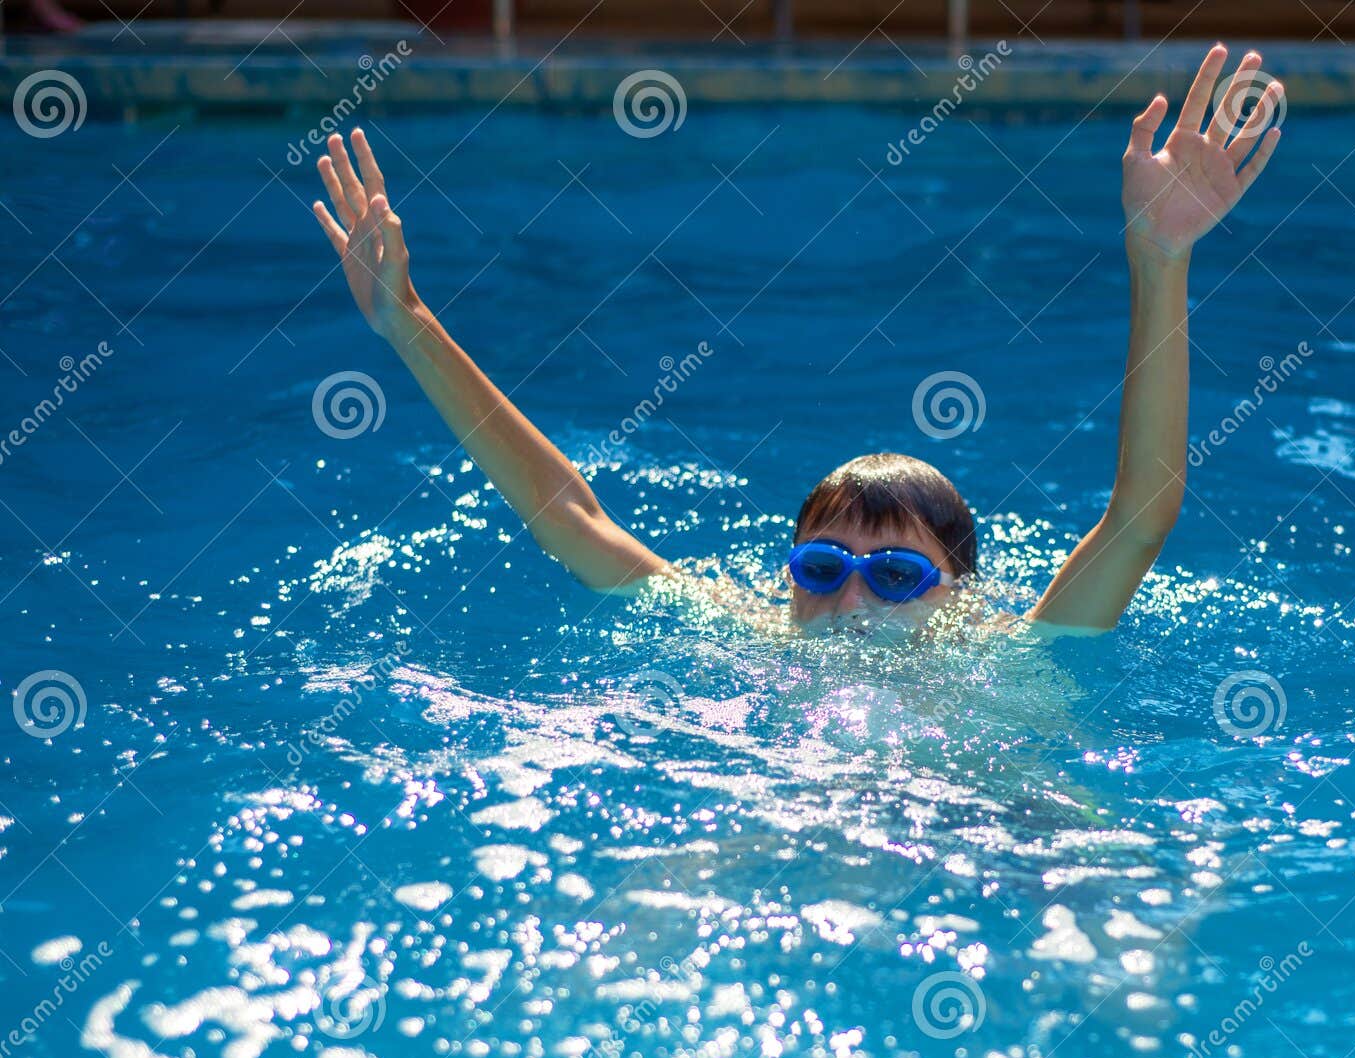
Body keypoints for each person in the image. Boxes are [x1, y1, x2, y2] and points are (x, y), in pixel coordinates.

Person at [310, 45, 1283, 639]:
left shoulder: (1017, 653)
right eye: (821, 568)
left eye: (896, 576)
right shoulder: (745, 640)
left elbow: (1140, 516)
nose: (849, 603)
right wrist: (406, 318)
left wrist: (1159, 260)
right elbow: (566, 508)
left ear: (959, 600)